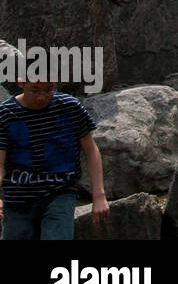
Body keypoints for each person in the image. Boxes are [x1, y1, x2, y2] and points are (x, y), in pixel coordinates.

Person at [0, 76, 109, 240]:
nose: (41, 97)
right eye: (35, 90)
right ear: (21, 83)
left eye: (49, 89)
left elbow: (91, 150)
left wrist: (99, 196)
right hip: (18, 199)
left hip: (59, 192)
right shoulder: (5, 114)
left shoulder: (70, 107)